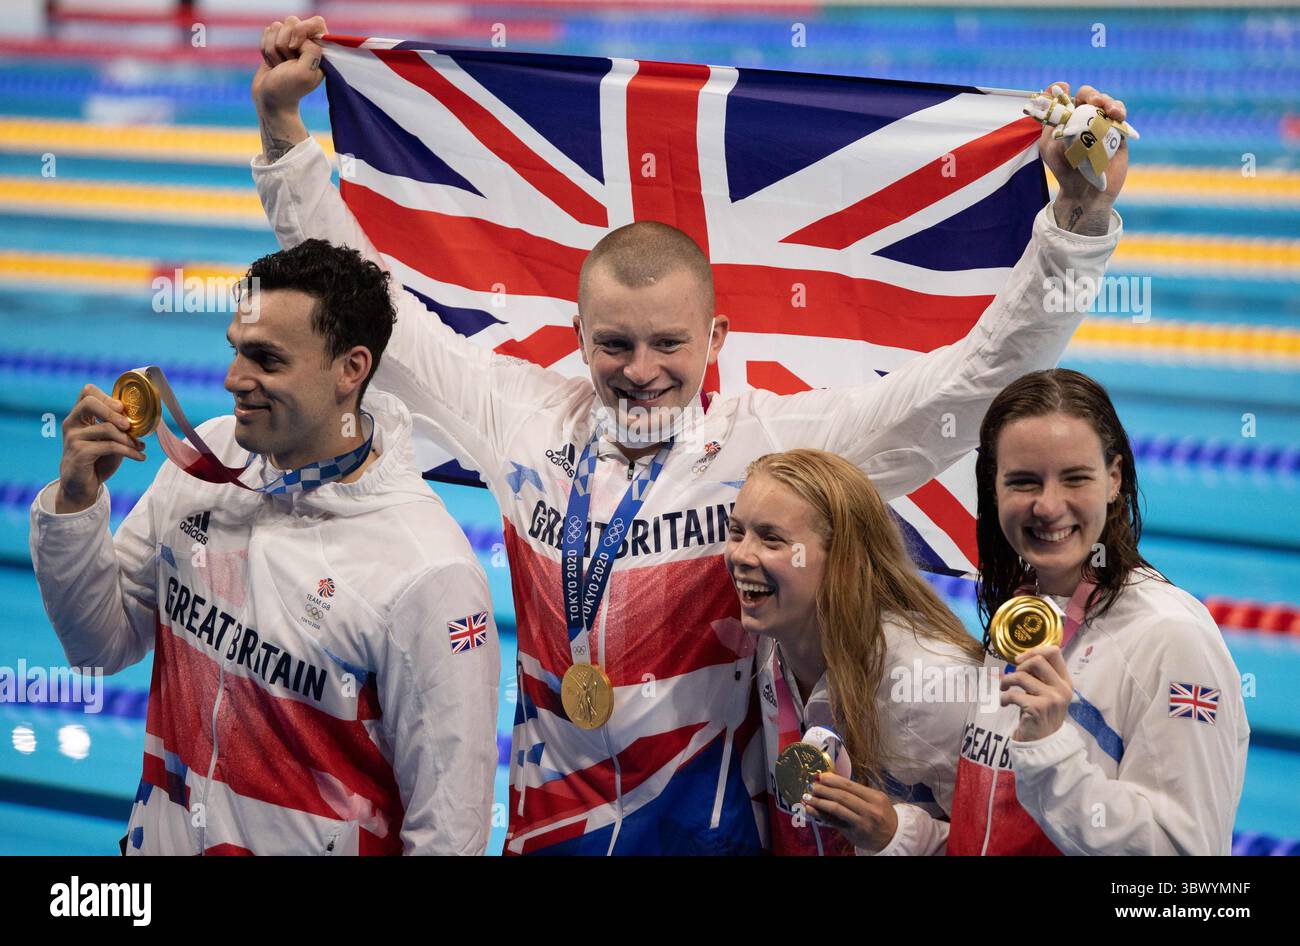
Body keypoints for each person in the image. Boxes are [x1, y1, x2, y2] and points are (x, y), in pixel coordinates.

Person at [251, 14, 1130, 855]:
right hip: (544, 831)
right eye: (616, 344)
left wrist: (1076, 224)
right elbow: (380, 316)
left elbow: (972, 385)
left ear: (716, 340)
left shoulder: (774, 457)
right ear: (577, 336)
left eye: (670, 343)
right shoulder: (517, 415)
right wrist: (287, 138)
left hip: (709, 835)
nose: (642, 370)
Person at [29, 240, 500, 855]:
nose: (232, 380)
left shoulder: (427, 571)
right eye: (235, 351)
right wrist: (76, 504)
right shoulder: (207, 461)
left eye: (266, 359)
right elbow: (100, 646)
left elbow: (447, 834)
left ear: (350, 369)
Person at [944, 368, 1249, 855]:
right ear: (993, 488)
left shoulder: (1171, 638)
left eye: (1074, 478)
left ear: (1113, 479)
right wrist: (899, 836)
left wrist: (1050, 752)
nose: (1048, 506)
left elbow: (1183, 855)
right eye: (1023, 481)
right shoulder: (1024, 618)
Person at [725, 449, 984, 855]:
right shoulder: (771, 640)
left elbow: (1010, 840)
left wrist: (898, 838)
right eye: (737, 532)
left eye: (771, 539)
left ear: (844, 558)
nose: (740, 555)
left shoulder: (933, 683)